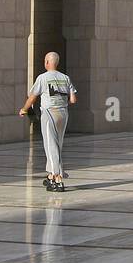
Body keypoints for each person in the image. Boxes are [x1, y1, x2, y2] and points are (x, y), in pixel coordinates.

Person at [20, 52, 77, 191]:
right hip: (63, 113)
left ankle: (58, 178)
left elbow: (33, 97)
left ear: (46, 62)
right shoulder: (65, 78)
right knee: (57, 145)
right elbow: (73, 100)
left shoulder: (43, 78)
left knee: (50, 146)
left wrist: (24, 109)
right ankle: (51, 175)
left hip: (49, 113)